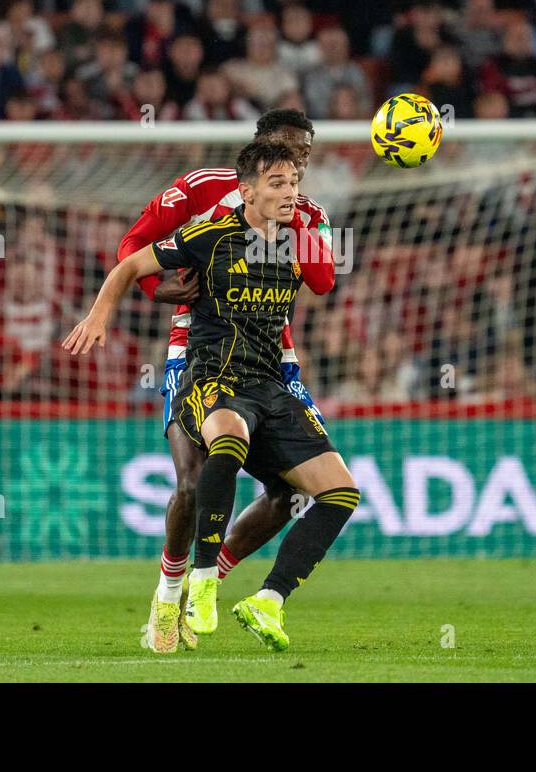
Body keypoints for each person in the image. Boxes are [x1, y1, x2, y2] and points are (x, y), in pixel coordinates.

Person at [65, 138, 349, 655]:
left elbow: (326, 281)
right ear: (247, 187)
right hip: (211, 371)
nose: (293, 190)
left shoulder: (303, 229)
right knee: (207, 468)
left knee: (326, 493)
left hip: (271, 378)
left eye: (298, 180)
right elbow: (131, 261)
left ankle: (261, 597)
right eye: (281, 180)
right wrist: (103, 312)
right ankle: (183, 588)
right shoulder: (209, 228)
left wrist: (309, 226)